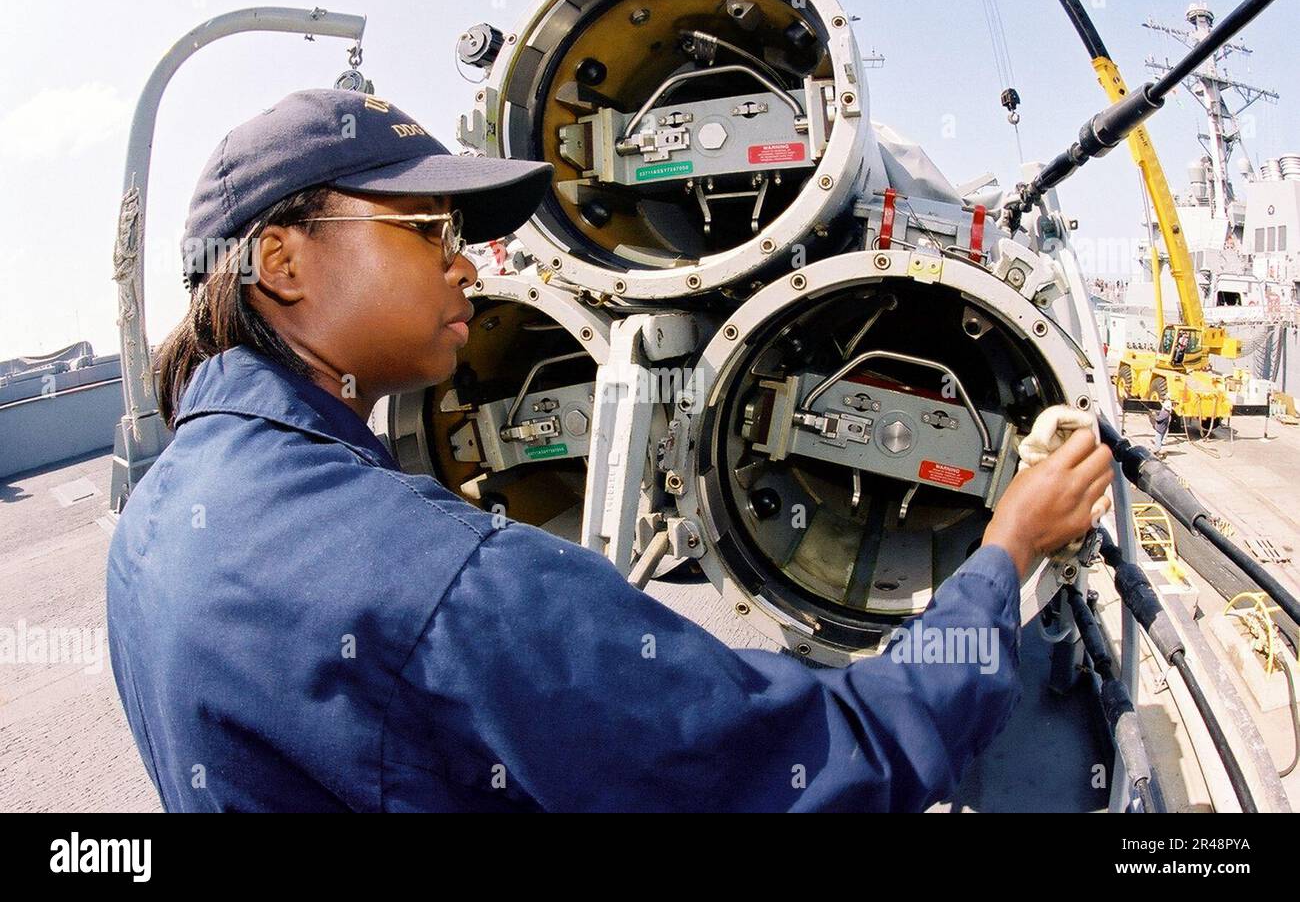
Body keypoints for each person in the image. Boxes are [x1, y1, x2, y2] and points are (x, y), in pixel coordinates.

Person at [106, 89, 1114, 812]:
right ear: (282, 262)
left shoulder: (153, 522)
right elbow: (823, 759)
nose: (464, 264)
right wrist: (1006, 552)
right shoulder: (444, 579)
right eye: (426, 230)